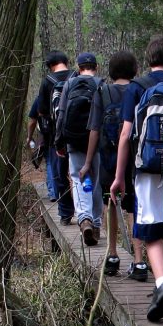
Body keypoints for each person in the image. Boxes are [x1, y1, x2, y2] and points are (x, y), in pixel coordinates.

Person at [110, 36, 163, 315]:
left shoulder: (137, 87)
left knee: (151, 229)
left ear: (148, 58)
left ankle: (161, 284)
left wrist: (119, 176)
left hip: (146, 170)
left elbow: (126, 134)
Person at [81, 50, 147, 277]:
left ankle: (112, 255)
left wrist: (88, 162)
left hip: (109, 159)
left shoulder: (103, 92)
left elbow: (94, 130)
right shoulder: (139, 90)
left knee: (110, 203)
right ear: (134, 70)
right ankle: (139, 260)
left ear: (110, 71)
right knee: (133, 206)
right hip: (136, 158)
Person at [56, 52, 103, 245]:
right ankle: (96, 223)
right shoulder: (100, 84)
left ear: (78, 67)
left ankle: (84, 218)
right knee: (96, 181)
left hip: (73, 140)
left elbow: (61, 114)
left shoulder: (69, 84)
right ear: (96, 67)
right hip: (96, 141)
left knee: (78, 178)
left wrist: (59, 141)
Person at [25, 51, 73, 224]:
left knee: (60, 174)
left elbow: (42, 112)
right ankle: (88, 215)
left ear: (50, 66)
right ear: (66, 61)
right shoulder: (77, 76)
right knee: (81, 174)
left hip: (55, 137)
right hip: (80, 135)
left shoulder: (47, 82)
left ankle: (66, 213)